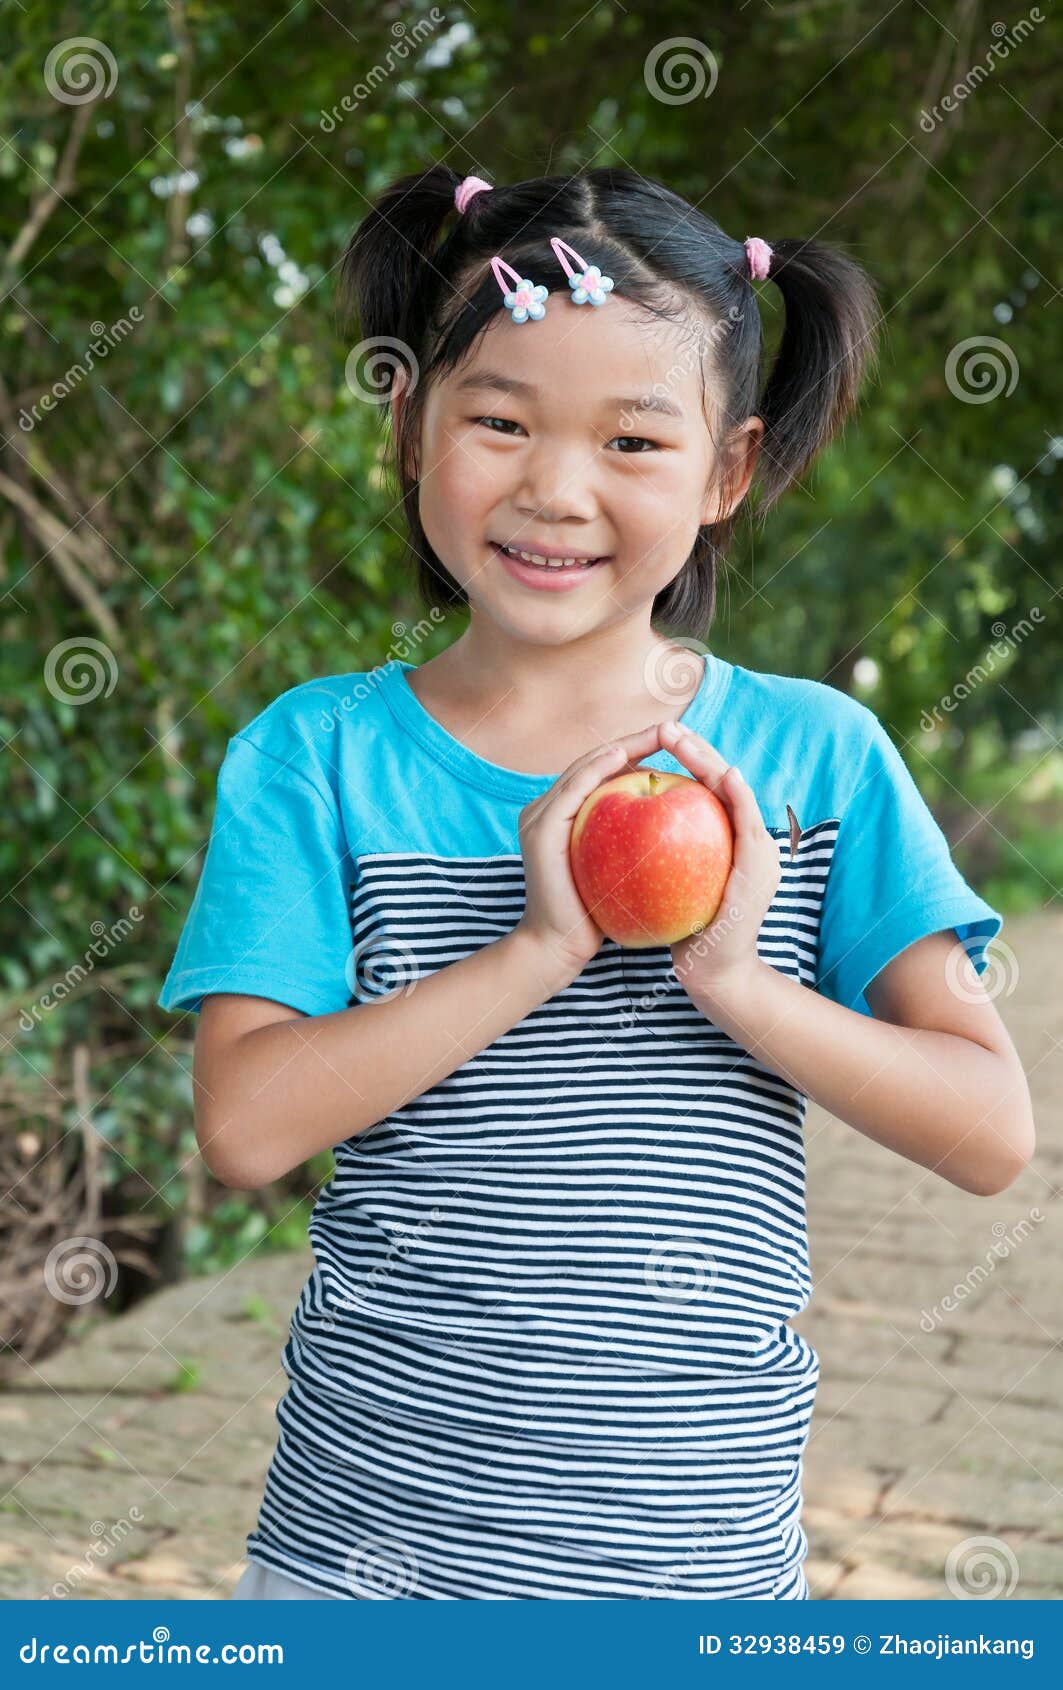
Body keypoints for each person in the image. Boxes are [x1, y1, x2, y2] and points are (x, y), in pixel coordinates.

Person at [158, 163, 1034, 1601]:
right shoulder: (318, 754)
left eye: (634, 440)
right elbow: (247, 1124)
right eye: (498, 419)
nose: (554, 488)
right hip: (365, 1569)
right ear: (409, 419)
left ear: (726, 472)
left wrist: (739, 981)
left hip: (691, 1570)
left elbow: (990, 1130)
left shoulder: (812, 760)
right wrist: (536, 947)